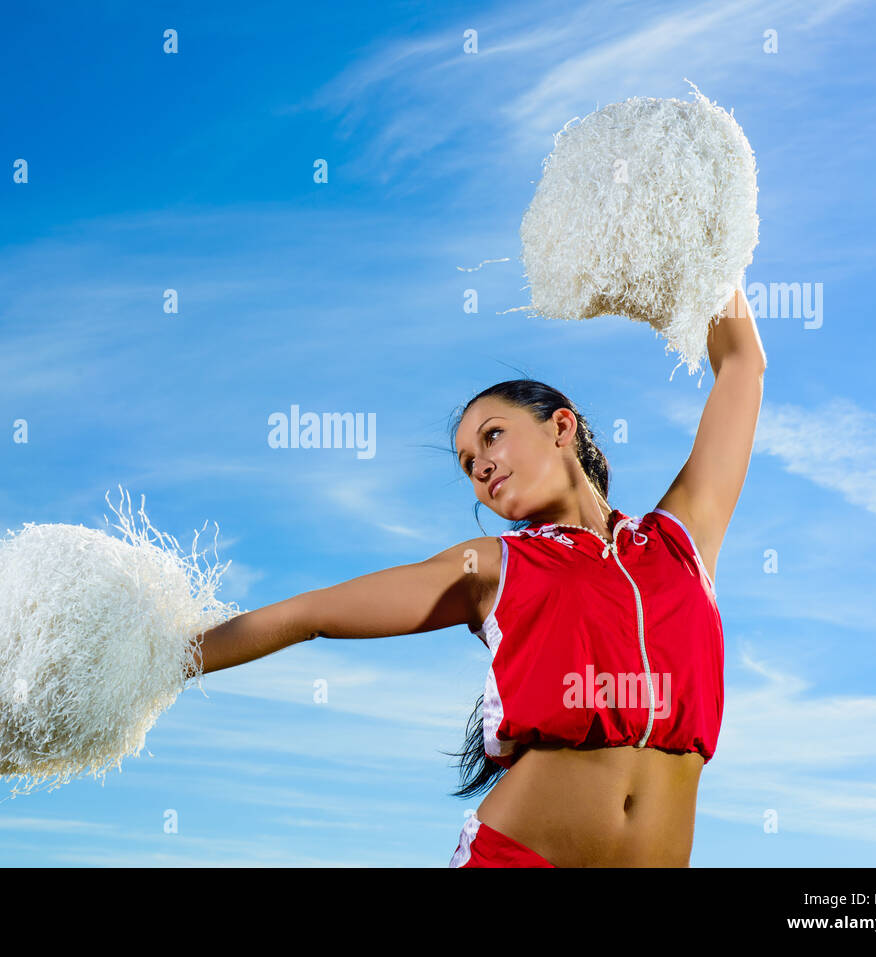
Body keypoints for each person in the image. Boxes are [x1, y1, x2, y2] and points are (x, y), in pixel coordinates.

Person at [185, 287, 766, 867]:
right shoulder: (493, 565)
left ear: (561, 427)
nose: (480, 465)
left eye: (492, 436)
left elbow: (741, 365)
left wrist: (698, 248)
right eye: (467, 464)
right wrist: (166, 659)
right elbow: (307, 616)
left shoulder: (680, 540)